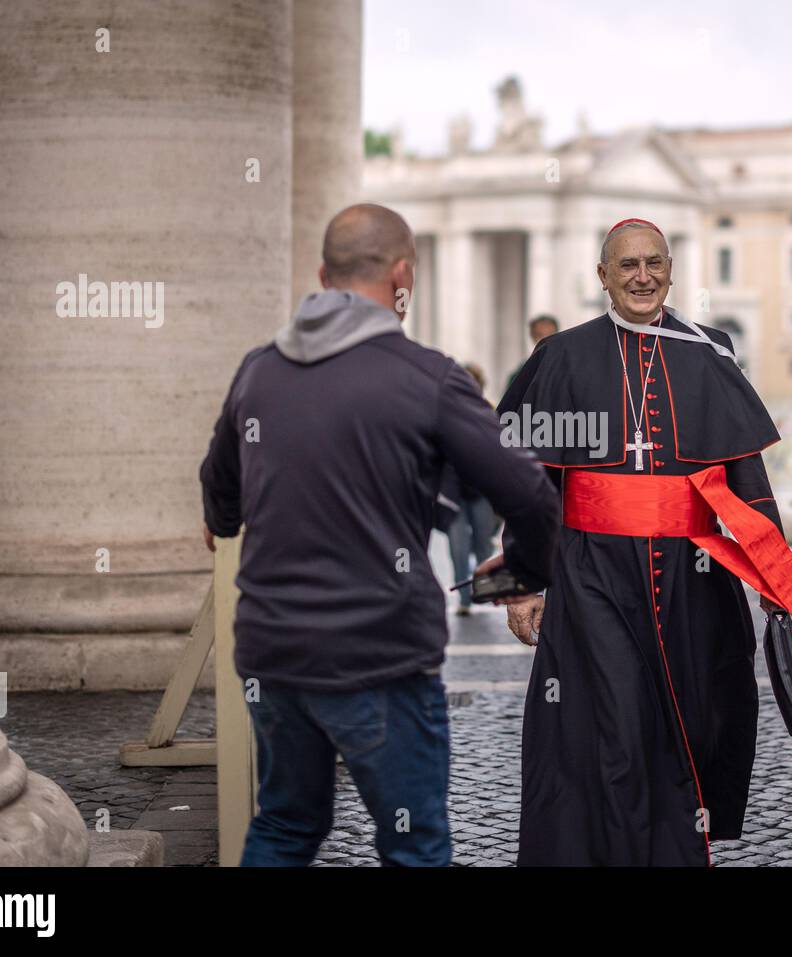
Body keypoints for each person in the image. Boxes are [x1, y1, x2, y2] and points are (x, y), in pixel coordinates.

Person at [492, 219, 792, 866]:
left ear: (672, 270)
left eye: (654, 263)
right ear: (603, 277)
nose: (643, 276)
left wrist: (777, 584)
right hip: (591, 575)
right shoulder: (563, 356)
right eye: (627, 266)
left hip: (691, 575)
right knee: (614, 723)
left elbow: (747, 480)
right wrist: (520, 582)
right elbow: (528, 481)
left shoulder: (707, 350)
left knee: (689, 726)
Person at [198, 203, 559, 867]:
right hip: (380, 653)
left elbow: (219, 491)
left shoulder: (256, 370)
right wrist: (525, 572)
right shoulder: (428, 377)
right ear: (402, 276)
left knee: (282, 824)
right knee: (413, 842)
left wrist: (223, 523)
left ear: (321, 273)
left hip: (274, 652)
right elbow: (532, 494)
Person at [446, 364, 500, 616]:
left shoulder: (489, 411)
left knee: (482, 545)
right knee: (458, 546)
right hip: (453, 491)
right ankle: (464, 598)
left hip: (483, 489)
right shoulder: (443, 409)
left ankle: (482, 589)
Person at [505, 314, 559, 392]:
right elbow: (521, 401)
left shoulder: (566, 368)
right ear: (532, 336)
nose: (544, 340)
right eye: (539, 335)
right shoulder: (522, 372)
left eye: (550, 335)